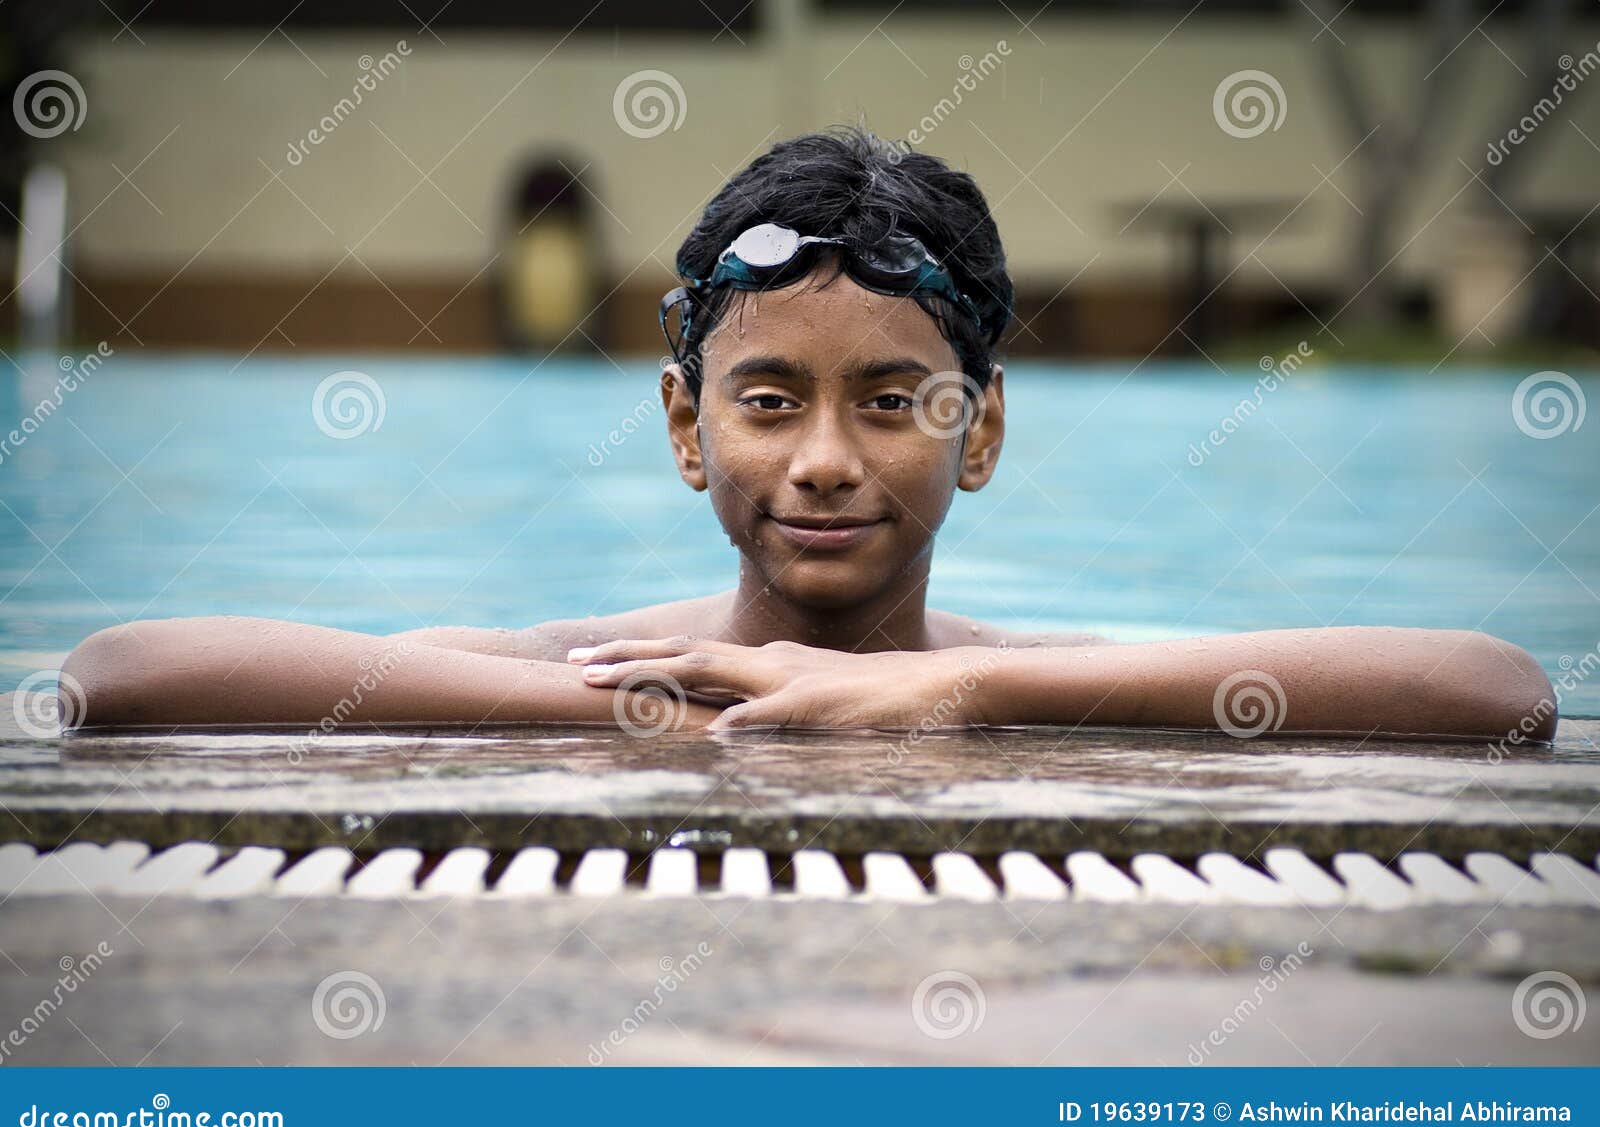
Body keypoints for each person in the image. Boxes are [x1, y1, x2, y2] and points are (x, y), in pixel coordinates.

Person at [60, 126, 1555, 743]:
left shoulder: (1007, 675)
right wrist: (656, 722)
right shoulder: (605, 665)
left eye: (895, 400)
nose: (826, 458)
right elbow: (114, 675)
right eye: (768, 400)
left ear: (981, 431)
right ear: (685, 424)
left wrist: (945, 692)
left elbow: (1498, 689)